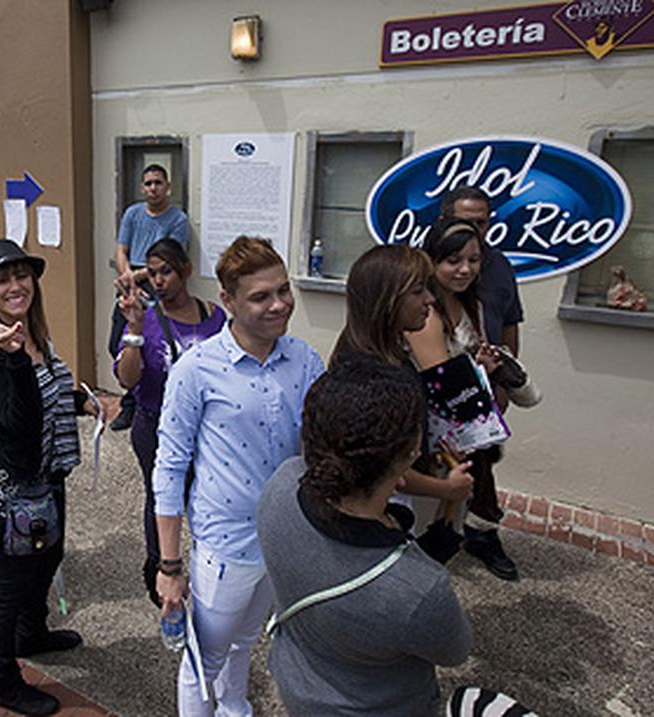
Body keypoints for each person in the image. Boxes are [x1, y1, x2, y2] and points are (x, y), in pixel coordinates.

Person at [154, 236, 325, 717]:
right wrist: (169, 567)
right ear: (228, 301)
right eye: (261, 296)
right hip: (224, 547)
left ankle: (235, 708)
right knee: (201, 661)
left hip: (282, 539)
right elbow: (168, 467)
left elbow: (318, 449)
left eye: (284, 290)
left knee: (246, 639)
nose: (279, 305)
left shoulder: (306, 360)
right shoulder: (197, 369)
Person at [257, 357, 472, 716]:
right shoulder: (420, 590)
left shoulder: (281, 484)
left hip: (298, 689)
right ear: (410, 454)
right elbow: (455, 651)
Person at [0, 240, 84, 716]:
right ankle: (1, 679)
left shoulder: (32, 331)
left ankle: (31, 635)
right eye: (1, 279)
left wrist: (82, 400)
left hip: (46, 476)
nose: (15, 286)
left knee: (48, 557)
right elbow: (17, 423)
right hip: (11, 491)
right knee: (11, 582)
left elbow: (47, 396)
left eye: (21, 275)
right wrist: (13, 358)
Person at [113, 237, 225, 606]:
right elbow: (127, 380)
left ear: (186, 271)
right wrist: (133, 330)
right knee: (162, 498)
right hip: (155, 425)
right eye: (153, 273)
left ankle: (213, 568)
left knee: (208, 497)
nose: (158, 281)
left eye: (166, 272)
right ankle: (160, 567)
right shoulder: (145, 318)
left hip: (206, 429)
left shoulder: (215, 317)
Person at [406, 218, 515, 581]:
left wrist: (482, 370)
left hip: (465, 439)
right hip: (431, 443)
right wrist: (479, 375)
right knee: (418, 531)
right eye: (453, 260)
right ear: (431, 261)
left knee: (448, 525)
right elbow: (444, 381)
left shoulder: (475, 306)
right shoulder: (424, 313)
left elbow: (467, 372)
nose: (465, 269)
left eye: (474, 259)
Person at [331, 245, 474, 506]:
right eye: (418, 291)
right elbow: (383, 469)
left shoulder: (388, 350)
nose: (430, 299)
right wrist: (446, 488)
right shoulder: (371, 377)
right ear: (386, 299)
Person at [109, 164, 190, 430]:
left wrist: (138, 278)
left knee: (152, 346)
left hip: (158, 283)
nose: (152, 188)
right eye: (148, 183)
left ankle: (135, 406)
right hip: (130, 280)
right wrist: (128, 279)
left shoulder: (178, 220)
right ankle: (132, 397)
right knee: (117, 344)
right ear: (142, 187)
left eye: (157, 182)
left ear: (167, 186)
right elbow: (121, 250)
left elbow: (169, 260)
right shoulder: (132, 213)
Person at [439, 186, 523, 357]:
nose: (465, 270)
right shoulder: (422, 267)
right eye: (466, 222)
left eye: (481, 223)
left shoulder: (499, 264)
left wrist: (506, 372)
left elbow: (509, 323)